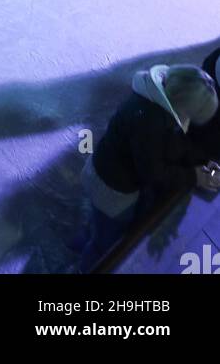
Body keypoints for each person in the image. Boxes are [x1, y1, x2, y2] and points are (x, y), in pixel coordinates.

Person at [78, 64, 218, 271]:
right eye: (192, 115)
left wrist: (200, 162)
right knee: (107, 242)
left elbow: (174, 144)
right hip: (113, 191)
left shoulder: (157, 101)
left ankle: (87, 236)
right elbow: (153, 173)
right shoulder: (150, 124)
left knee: (98, 222)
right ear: (182, 107)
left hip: (104, 168)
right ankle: (87, 265)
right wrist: (194, 176)